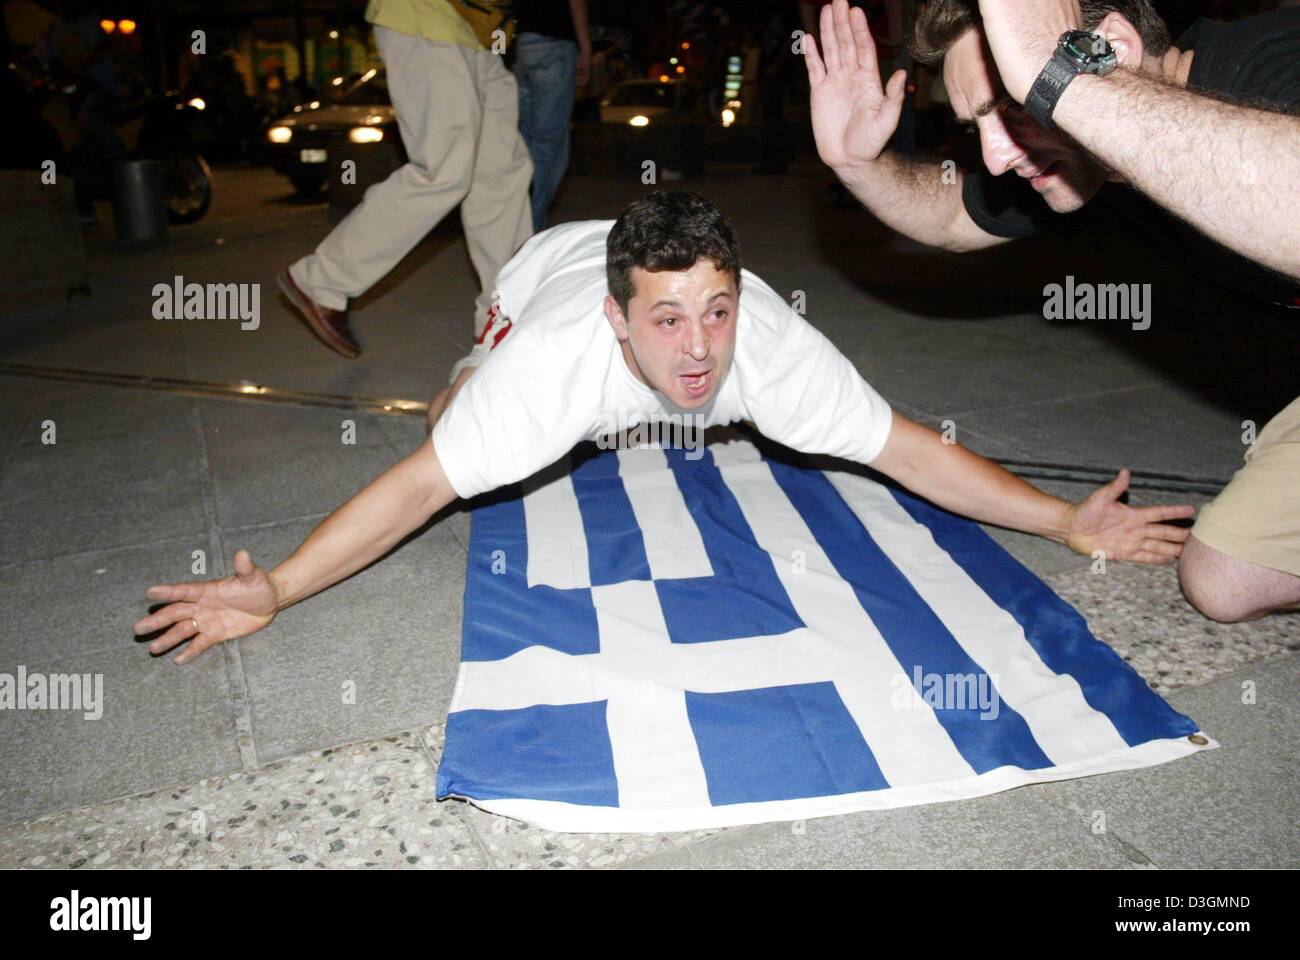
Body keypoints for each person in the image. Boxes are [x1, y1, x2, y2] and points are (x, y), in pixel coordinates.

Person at [135, 191, 1194, 665]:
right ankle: (471, 359)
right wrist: (273, 586)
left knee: (759, 384)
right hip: (538, 275)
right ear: (619, 319)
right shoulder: (559, 358)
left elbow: (908, 446)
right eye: (668, 321)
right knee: (465, 434)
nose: (698, 352)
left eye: (716, 314)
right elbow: (416, 488)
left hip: (610, 305)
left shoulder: (765, 345)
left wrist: (1065, 525)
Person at [804, 0, 1300, 622]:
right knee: (1227, 581)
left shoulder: (1272, 59)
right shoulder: (1090, 163)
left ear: (1112, 47)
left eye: (1015, 109)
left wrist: (1058, 80)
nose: (994, 156)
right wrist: (859, 164)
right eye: (976, 126)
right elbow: (956, 215)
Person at [276, 0, 534, 357]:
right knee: (443, 169)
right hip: (426, 15)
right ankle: (322, 279)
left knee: (500, 173)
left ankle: (505, 313)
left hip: (482, 32)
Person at [513, 0, 592, 230]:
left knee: (525, 140)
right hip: (554, 43)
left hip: (519, 46)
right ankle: (529, 226)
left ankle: (516, 217)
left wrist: (500, 51)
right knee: (550, 144)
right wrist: (586, 48)